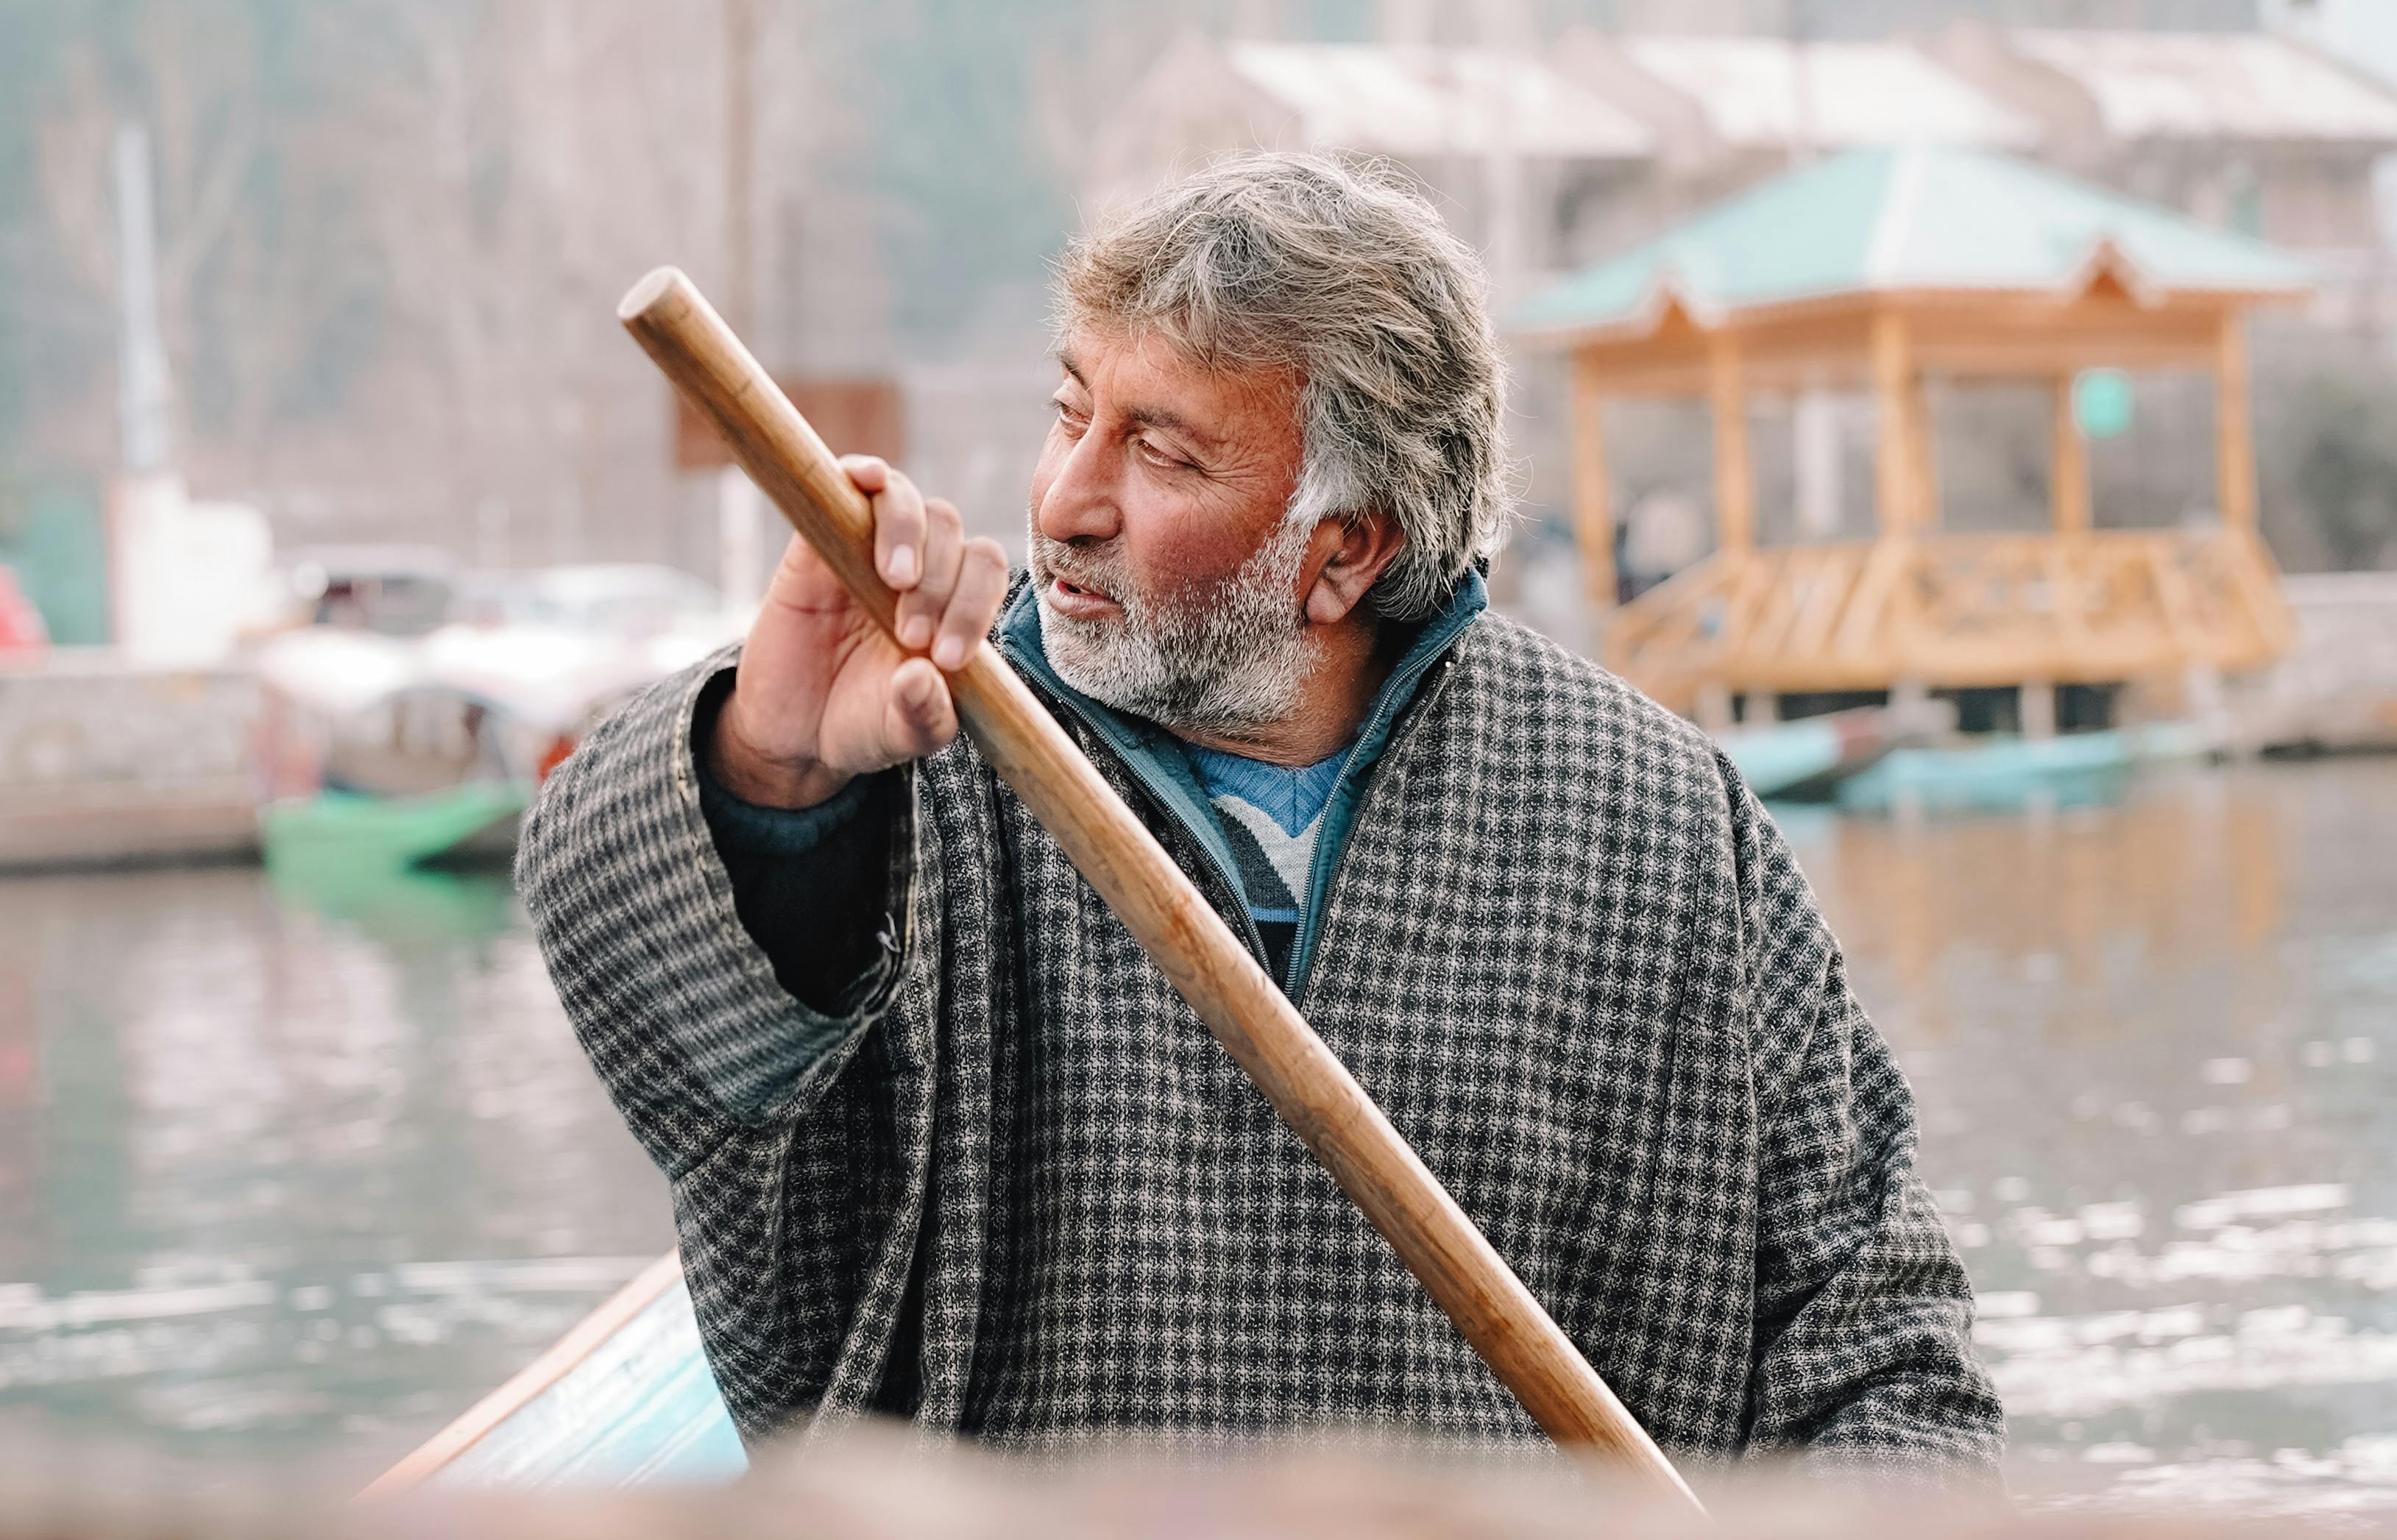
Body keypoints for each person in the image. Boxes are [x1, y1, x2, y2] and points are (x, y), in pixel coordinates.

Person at [522, 155, 1999, 1469]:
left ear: (1344, 552)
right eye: (1069, 411)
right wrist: (772, 771)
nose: (1064, 501)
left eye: (1162, 453)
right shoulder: (919, 743)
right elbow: (640, 960)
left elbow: (1870, 1328)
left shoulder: (1661, 824)